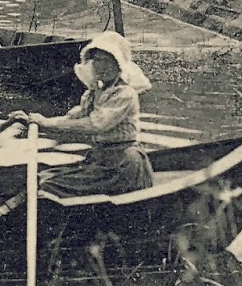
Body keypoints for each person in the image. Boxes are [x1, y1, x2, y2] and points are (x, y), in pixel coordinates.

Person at [9, 31, 154, 195]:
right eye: (98, 60)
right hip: (102, 158)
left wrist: (45, 123)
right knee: (43, 177)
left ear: (118, 65)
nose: (102, 66)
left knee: (51, 186)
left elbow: (96, 124)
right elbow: (74, 117)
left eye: (108, 61)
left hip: (123, 164)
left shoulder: (125, 94)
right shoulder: (95, 92)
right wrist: (32, 120)